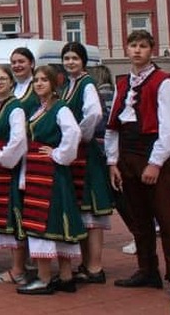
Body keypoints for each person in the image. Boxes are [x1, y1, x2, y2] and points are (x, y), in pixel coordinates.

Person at [106, 29, 170, 288]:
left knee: (166, 218)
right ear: (126, 49)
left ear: (151, 50)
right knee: (138, 218)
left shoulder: (163, 81)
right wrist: (113, 162)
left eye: (142, 46)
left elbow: (169, 127)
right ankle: (147, 269)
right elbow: (113, 125)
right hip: (127, 156)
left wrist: (156, 162)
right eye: (133, 46)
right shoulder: (122, 83)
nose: (137, 50)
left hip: (150, 154)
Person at [17, 65, 87, 295]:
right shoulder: (41, 108)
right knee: (57, 218)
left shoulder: (60, 108)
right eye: (36, 80)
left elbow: (73, 132)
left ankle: (44, 277)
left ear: (53, 83)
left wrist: (58, 154)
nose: (38, 84)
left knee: (46, 220)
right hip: (39, 171)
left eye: (43, 80)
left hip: (49, 173)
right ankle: (66, 277)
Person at [60, 42, 114, 285]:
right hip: (75, 155)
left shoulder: (87, 84)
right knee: (82, 212)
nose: (70, 62)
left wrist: (80, 135)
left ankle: (95, 266)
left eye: (74, 58)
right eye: (67, 58)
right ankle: (86, 263)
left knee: (92, 213)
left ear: (83, 61)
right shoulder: (68, 86)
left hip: (86, 153)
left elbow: (94, 113)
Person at [0, 64, 28, 286]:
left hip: (9, 169)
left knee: (14, 216)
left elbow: (19, 139)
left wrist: (3, 157)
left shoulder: (15, 108)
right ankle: (19, 265)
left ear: (11, 82)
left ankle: (18, 269)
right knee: (6, 215)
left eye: (3, 79)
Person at [10, 47, 39, 115]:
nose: (17, 65)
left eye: (21, 61)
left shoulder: (38, 85)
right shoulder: (10, 88)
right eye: (14, 63)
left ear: (32, 64)